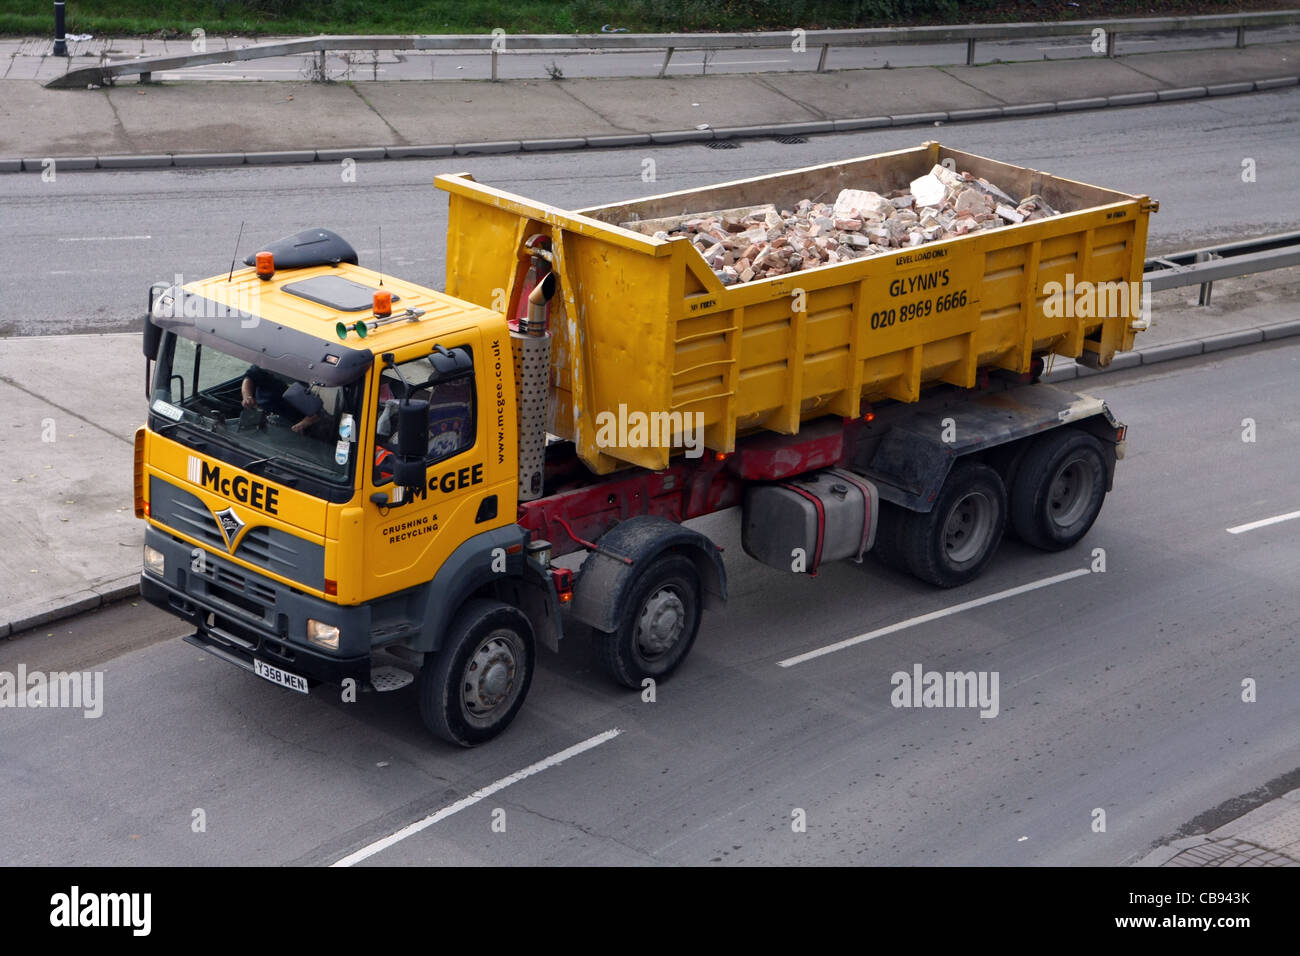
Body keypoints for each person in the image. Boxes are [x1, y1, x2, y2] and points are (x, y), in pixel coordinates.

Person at [241, 366, 323, 434]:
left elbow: (317, 411)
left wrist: (307, 422)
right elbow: (249, 378)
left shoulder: (311, 373)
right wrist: (247, 396)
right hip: (261, 413)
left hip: (292, 425)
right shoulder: (269, 359)